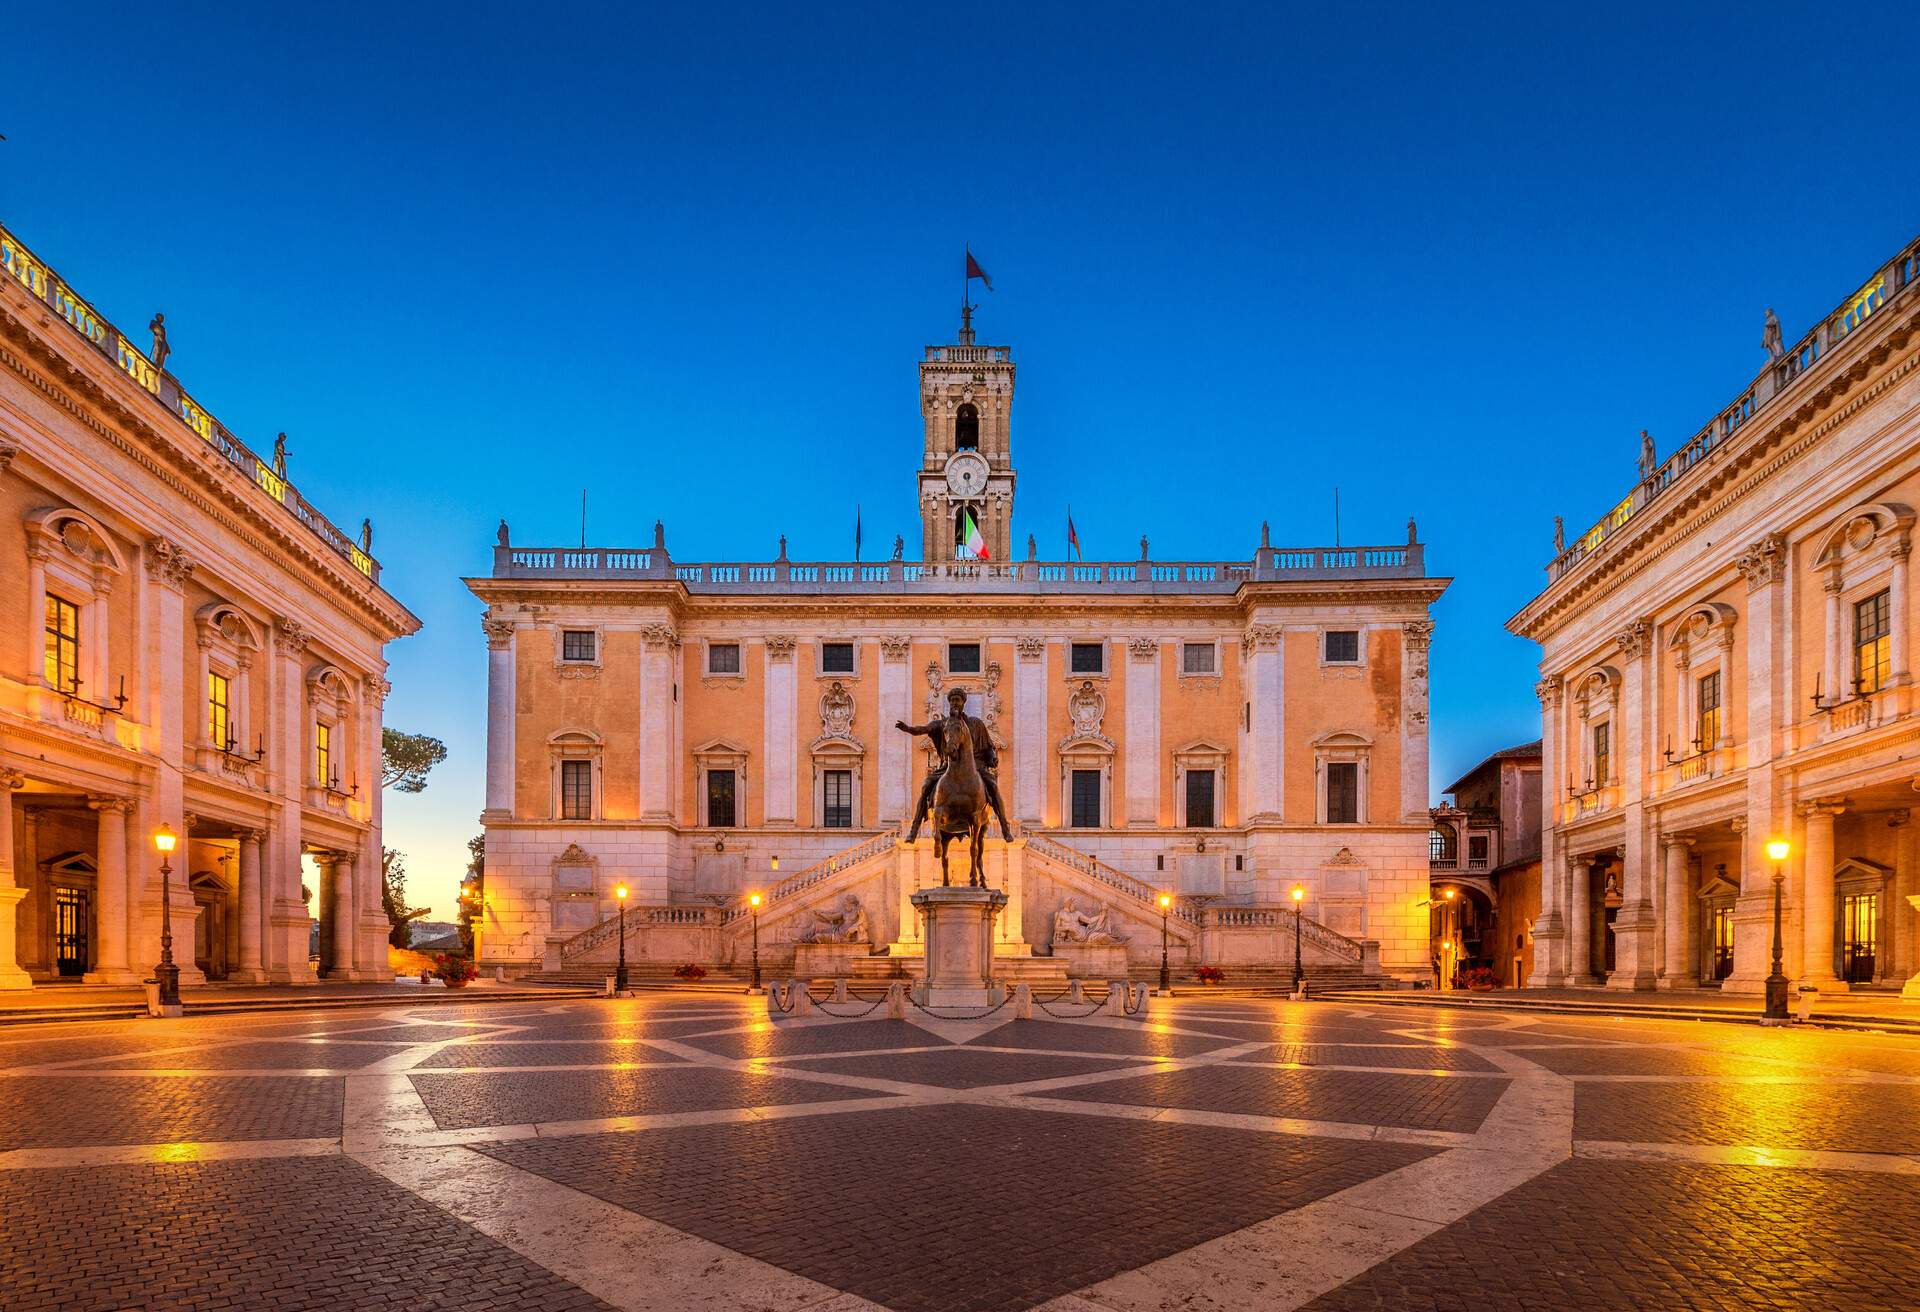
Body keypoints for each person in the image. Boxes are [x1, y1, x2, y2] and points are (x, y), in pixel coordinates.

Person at [897, 687, 1012, 842]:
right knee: (926, 787)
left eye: (957, 700)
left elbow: (988, 746)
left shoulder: (976, 724)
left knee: (993, 786)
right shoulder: (943, 724)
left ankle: (1005, 827)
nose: (954, 703)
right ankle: (914, 829)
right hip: (947, 767)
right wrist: (908, 729)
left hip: (976, 767)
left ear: (963, 703)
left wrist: (992, 758)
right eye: (951, 700)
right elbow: (924, 729)